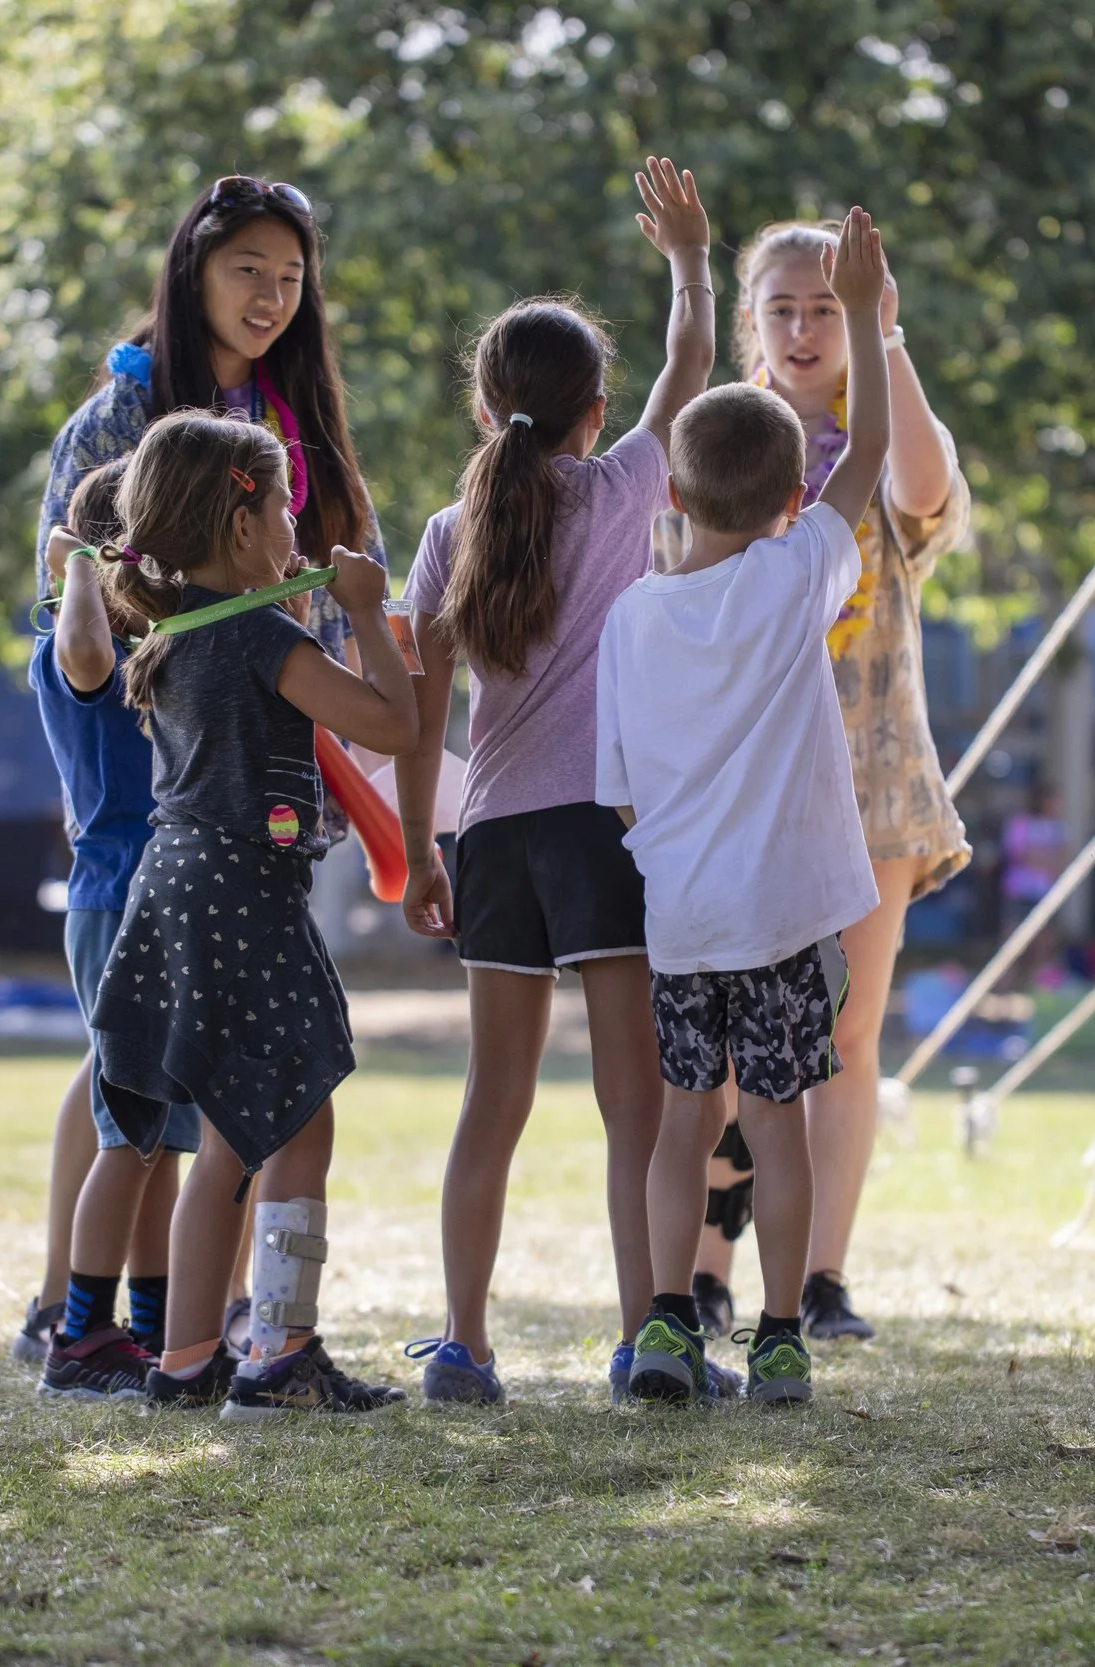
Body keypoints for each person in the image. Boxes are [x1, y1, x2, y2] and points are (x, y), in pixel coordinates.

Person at [19, 172, 376, 1361]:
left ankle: (175, 1323)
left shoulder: (291, 419)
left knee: (179, 1068)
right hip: (156, 791)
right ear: (191, 274)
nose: (271, 295)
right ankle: (74, 1310)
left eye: (289, 276)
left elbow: (318, 595)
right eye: (246, 271)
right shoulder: (120, 421)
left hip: (258, 773)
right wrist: (122, 772)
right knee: (130, 1063)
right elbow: (70, 620)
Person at [392, 158, 720, 1405]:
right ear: (595, 411)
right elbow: (690, 369)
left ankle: (464, 1346)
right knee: (632, 1104)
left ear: (487, 410)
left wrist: (429, 846)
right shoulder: (618, 485)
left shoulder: (444, 531)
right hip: (602, 830)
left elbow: (425, 704)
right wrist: (689, 260)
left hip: (494, 833)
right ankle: (648, 1336)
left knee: (494, 1101)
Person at [599, 206, 895, 1406]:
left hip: (683, 920)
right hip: (784, 917)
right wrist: (869, 324)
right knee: (780, 1122)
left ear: (669, 486)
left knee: (685, 1121)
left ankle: (669, 1323)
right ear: (792, 500)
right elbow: (865, 455)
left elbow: (617, 794)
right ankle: (779, 1331)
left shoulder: (630, 616)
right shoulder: (797, 573)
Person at [90, 412, 420, 1419]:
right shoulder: (260, 633)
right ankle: (278, 1351)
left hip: (177, 883)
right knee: (296, 1116)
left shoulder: (171, 632)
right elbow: (391, 724)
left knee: (231, 1130)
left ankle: (191, 1361)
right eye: (281, 504)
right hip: (243, 891)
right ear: (240, 526)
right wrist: (365, 612)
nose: (295, 525)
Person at [686, 213, 974, 1344]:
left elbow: (921, 484)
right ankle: (706, 1268)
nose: (804, 329)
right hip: (745, 778)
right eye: (781, 308)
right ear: (750, 320)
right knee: (716, 1039)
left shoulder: (876, 419)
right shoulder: (719, 438)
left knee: (845, 1039)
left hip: (871, 775)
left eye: (823, 306)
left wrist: (883, 331)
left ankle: (820, 1276)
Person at [20, 462, 193, 1400]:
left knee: (160, 1138)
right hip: (117, 900)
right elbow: (85, 653)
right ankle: (78, 1340)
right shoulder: (77, 644)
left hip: (161, 900)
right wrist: (79, 563)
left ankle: (151, 1332)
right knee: (128, 1133)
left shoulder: (165, 646)